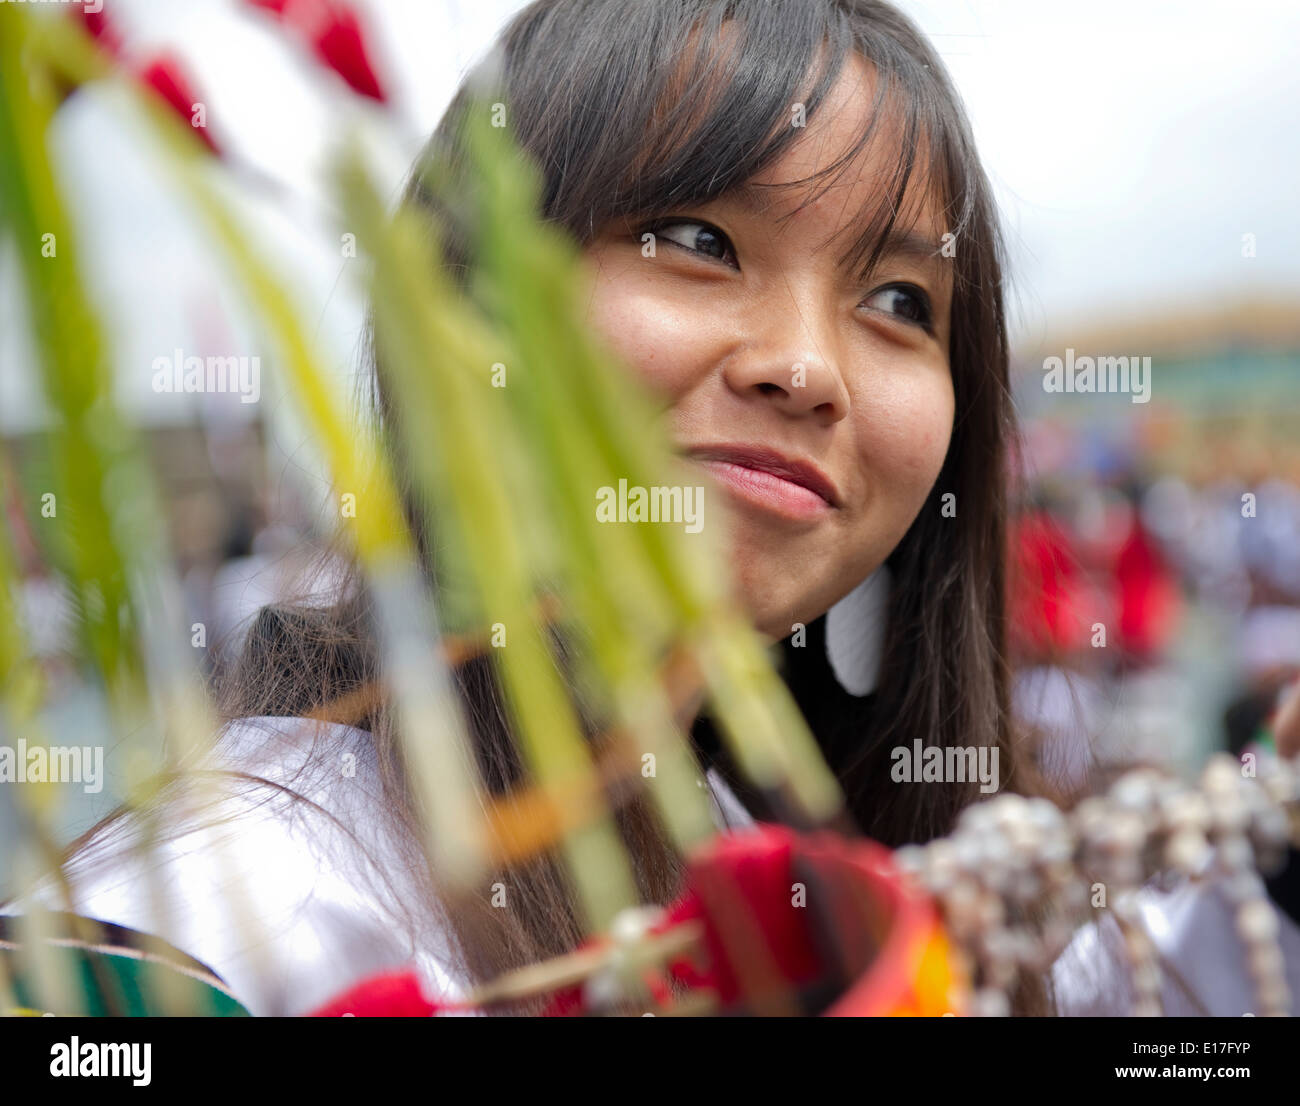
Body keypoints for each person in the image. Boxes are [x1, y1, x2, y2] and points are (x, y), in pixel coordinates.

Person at [11, 0, 1300, 1016]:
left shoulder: (814, 863)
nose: (804, 366)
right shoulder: (217, 922)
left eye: (901, 302)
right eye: (695, 239)